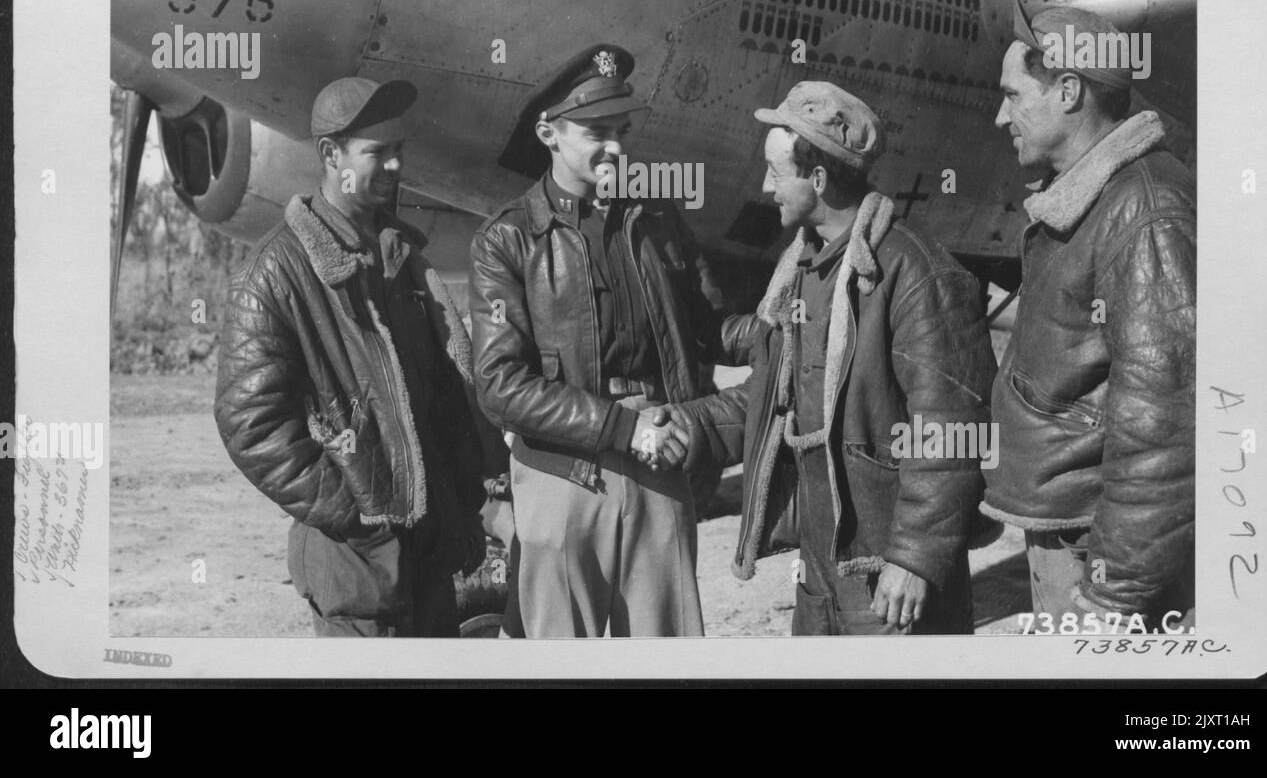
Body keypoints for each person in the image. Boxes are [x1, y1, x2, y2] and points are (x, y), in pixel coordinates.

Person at [656, 81, 996, 635]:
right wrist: (690, 423)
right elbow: (775, 396)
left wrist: (914, 557)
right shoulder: (803, 271)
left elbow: (954, 431)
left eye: (776, 172)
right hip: (819, 571)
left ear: (817, 179)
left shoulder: (914, 274)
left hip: (888, 575)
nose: (765, 186)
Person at [470, 45, 754, 637]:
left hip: (660, 466)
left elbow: (707, 329)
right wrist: (626, 428)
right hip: (561, 475)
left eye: (621, 129)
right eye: (596, 131)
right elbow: (500, 385)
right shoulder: (509, 240)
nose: (616, 147)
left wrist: (779, 333)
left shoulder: (657, 219)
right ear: (549, 132)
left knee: (663, 664)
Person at [214, 77, 485, 637]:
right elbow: (249, 420)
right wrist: (354, 512)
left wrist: (464, 504)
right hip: (358, 573)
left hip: (430, 562)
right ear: (330, 154)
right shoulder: (275, 273)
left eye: (398, 152)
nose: (392, 167)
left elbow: (442, 396)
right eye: (375, 153)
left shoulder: (405, 259)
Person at [982, 0, 1195, 630]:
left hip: (1100, 557)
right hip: (1078, 538)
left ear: (1069, 91)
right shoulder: (1094, 198)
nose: (1000, 116)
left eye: (1014, 94)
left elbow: (1163, 425)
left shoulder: (1143, 209)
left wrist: (1114, 591)